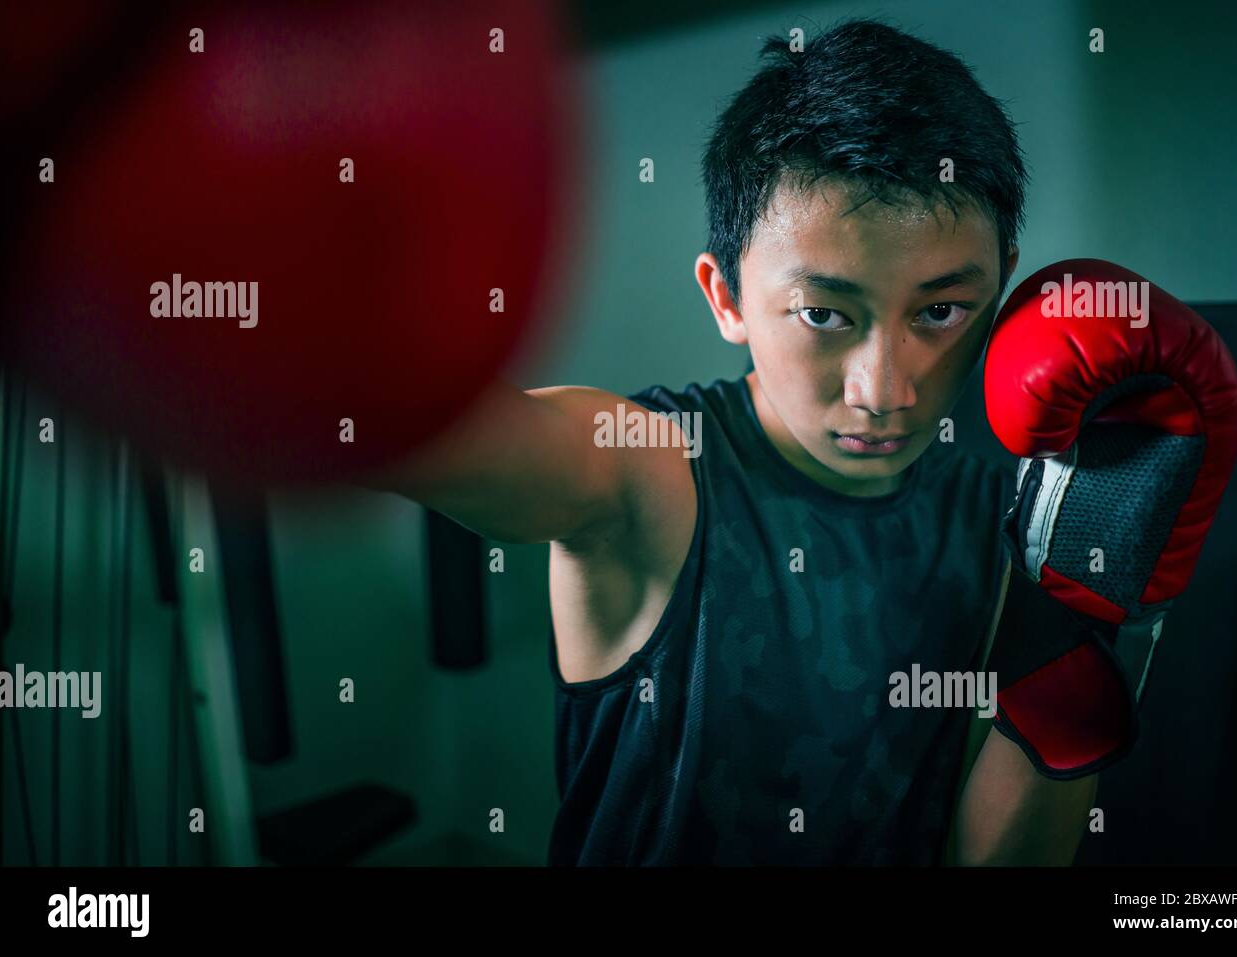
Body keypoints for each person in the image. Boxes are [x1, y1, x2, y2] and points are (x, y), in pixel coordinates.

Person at [370, 17, 1096, 865]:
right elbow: (440, 435)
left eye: (940, 311)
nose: (884, 389)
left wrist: (1097, 629)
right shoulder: (651, 468)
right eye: (824, 313)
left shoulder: (1001, 522)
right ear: (727, 298)